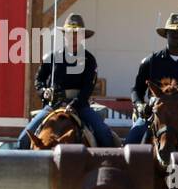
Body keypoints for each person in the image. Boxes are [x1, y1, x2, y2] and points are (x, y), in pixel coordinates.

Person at [16, 14, 118, 149]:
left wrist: (74, 104)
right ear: (64, 35)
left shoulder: (89, 60)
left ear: (82, 36)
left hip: (80, 106)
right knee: (23, 139)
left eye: (77, 34)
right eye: (69, 33)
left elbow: (88, 87)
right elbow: (39, 80)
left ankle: (107, 166)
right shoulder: (51, 57)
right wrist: (44, 92)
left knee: (105, 136)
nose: (73, 37)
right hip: (53, 106)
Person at [125, 13, 178, 151]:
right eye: (172, 31)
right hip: (156, 111)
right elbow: (136, 89)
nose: (177, 35)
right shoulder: (151, 61)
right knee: (131, 140)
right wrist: (140, 105)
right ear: (166, 34)